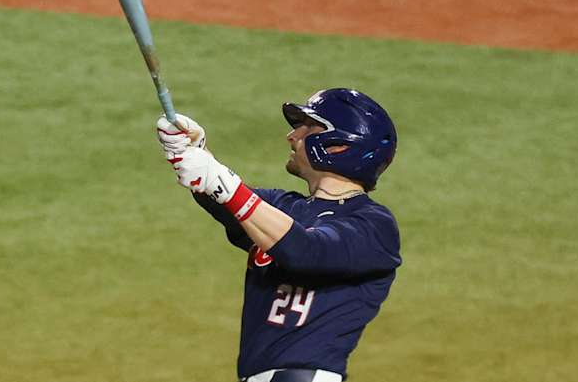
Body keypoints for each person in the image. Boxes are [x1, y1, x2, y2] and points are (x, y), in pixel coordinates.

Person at [156, 88, 401, 382]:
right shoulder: (284, 207)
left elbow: (306, 251)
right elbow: (228, 201)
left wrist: (219, 179)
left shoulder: (373, 225)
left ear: (338, 145)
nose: (292, 136)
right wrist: (194, 151)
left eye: (307, 127)